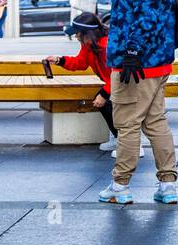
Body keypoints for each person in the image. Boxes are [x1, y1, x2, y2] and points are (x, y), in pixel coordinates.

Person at [98, 0, 178, 206]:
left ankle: (120, 186)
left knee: (127, 123)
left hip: (136, 65)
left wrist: (132, 52)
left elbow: (147, 17)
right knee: (156, 122)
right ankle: (167, 185)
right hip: (154, 62)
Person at [46, 12, 121, 153]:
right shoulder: (89, 45)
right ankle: (118, 138)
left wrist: (104, 94)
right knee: (104, 104)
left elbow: (118, 73)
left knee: (110, 104)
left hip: (126, 83)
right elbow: (80, 62)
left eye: (77, 33)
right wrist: (59, 60)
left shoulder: (107, 46)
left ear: (88, 33)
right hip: (114, 82)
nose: (75, 36)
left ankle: (131, 144)